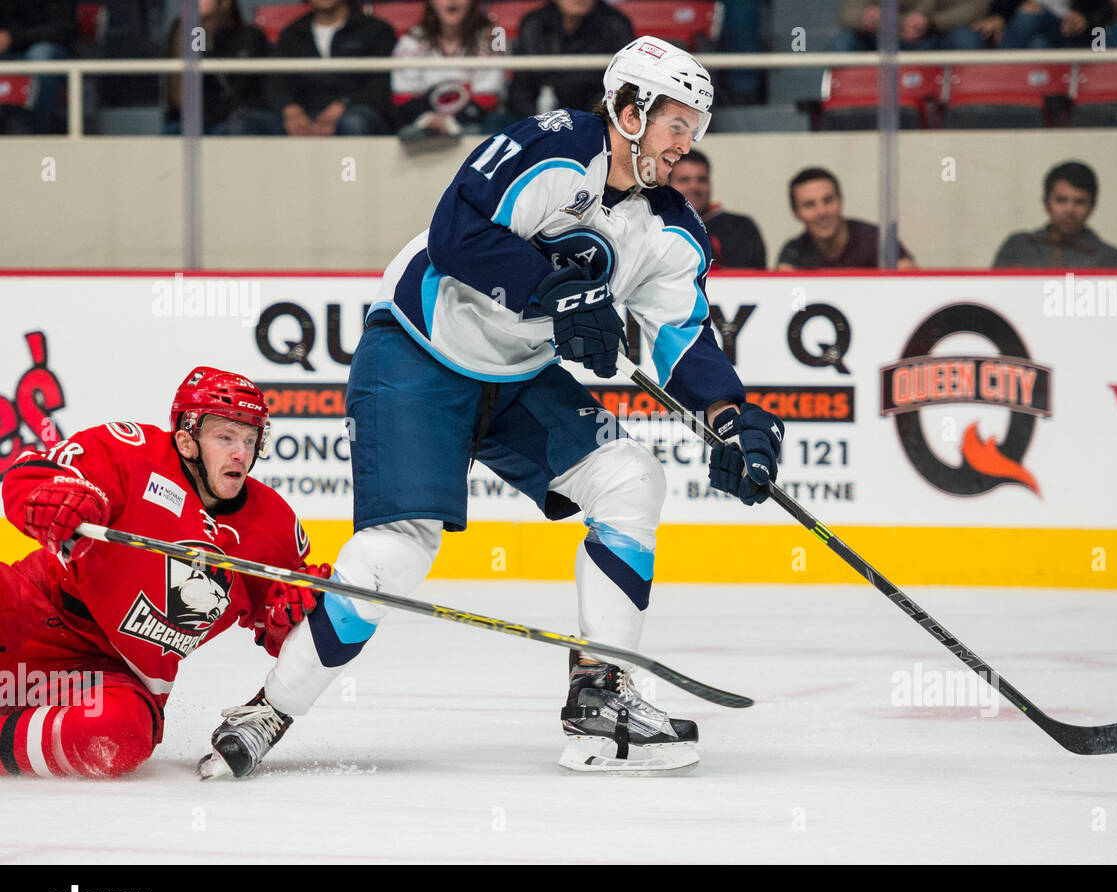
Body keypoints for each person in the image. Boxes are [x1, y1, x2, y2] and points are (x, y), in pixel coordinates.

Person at [201, 36, 787, 779]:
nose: (687, 146)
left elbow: (682, 336)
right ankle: (269, 709)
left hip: (516, 377)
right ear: (631, 111)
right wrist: (554, 290)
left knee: (632, 477)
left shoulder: (669, 229)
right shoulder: (550, 149)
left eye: (696, 129)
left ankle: (599, 694)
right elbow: (457, 232)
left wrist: (728, 414)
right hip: (418, 350)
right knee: (395, 555)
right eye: (677, 124)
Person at [0, 369, 326, 778]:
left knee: (123, 735)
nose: (241, 452)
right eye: (225, 437)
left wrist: (290, 624)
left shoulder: (273, 530)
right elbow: (33, 472)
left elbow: (284, 633)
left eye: (249, 439)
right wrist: (55, 498)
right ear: (187, 439)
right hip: (31, 610)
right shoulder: (131, 452)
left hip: (112, 676)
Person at [268, 0, 397, 136]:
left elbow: (379, 86)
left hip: (356, 109)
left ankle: (352, 158)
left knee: (353, 122)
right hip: (304, 112)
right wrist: (290, 107)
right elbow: (277, 83)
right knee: (252, 122)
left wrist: (342, 104)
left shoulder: (377, 30)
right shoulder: (292, 33)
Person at [391, 0, 506, 142]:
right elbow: (403, 96)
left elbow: (489, 96)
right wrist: (429, 119)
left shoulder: (493, 37)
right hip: (423, 123)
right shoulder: (412, 39)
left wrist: (451, 123)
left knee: (494, 125)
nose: (452, 1)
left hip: (476, 123)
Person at [164, 0, 280, 135]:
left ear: (225, 2)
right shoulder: (193, 34)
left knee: (230, 129)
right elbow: (183, 93)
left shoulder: (248, 35)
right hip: (199, 116)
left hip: (236, 116)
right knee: (173, 132)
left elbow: (245, 89)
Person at [505, 0, 634, 120]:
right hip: (540, 118)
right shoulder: (533, 24)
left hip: (597, 121)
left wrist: (591, 122)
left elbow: (624, 88)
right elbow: (521, 89)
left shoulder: (616, 24)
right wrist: (539, 123)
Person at [992, 161, 1117, 268]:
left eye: (1080, 202)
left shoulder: (1110, 259)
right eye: (1061, 200)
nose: (1070, 210)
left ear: (1092, 206)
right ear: (1046, 203)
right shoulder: (1018, 247)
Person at [777, 167, 917, 269]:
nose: (821, 212)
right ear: (796, 213)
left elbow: (912, 283)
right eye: (809, 205)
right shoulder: (794, 252)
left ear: (840, 201)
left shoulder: (875, 239)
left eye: (828, 200)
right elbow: (781, 294)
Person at [668, 151, 767, 269]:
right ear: (667, 184)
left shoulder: (741, 227)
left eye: (702, 180)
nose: (694, 186)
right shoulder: (655, 226)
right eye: (684, 180)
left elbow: (750, 279)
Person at [0, 0, 76, 135]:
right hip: (9, 54)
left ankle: (39, 135)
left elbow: (63, 30)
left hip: (52, 52)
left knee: (41, 56)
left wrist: (12, 38)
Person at [836, 0, 990, 51]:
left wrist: (932, 22)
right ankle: (845, 111)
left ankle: (968, 111)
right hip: (883, 38)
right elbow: (847, 13)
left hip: (936, 35)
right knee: (844, 41)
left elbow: (976, 6)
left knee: (966, 39)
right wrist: (865, 17)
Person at [995, 0, 1112, 49]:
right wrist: (1001, 19)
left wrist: (1085, 19)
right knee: (1038, 44)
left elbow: (1105, 12)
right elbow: (1003, 8)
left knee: (1028, 18)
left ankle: (999, 72)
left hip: (1067, 28)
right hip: (1026, 28)